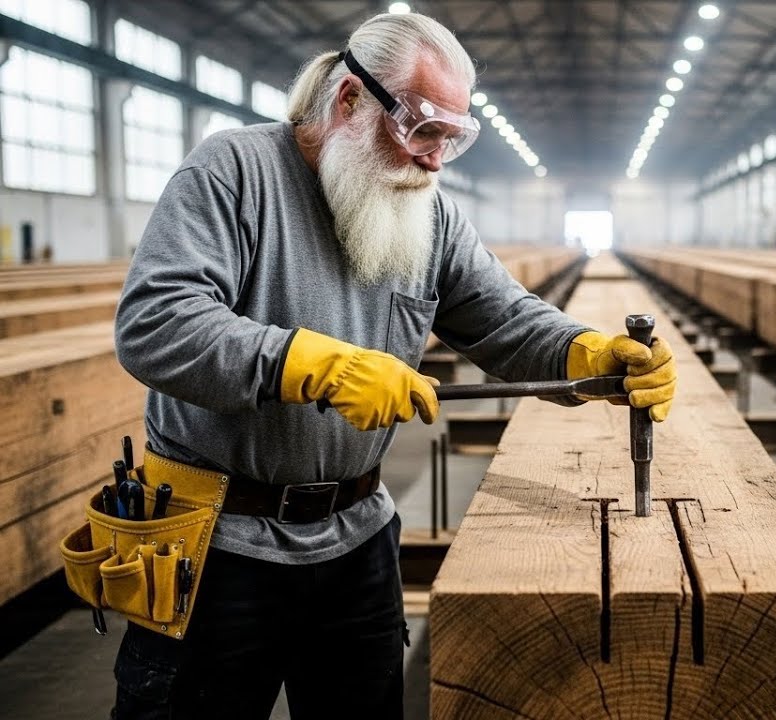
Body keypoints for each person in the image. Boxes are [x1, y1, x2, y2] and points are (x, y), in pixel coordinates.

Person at [110, 12, 676, 719]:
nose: (435, 158)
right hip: (217, 547)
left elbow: (500, 316)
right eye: (421, 128)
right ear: (350, 99)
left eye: (451, 138)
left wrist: (585, 353)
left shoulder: (426, 212)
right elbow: (154, 323)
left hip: (357, 541)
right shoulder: (232, 173)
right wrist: (306, 362)